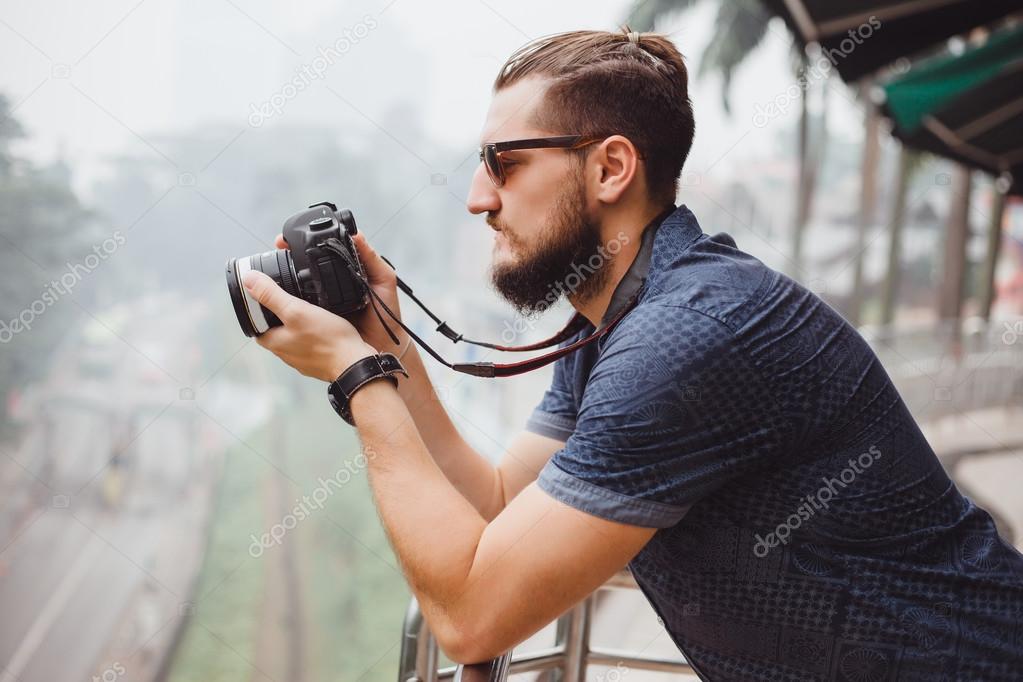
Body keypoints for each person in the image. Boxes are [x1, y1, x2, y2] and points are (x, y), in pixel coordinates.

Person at [243, 27, 1023, 681]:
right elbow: (497, 507)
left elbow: (471, 619)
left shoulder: (688, 335)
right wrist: (387, 344)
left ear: (611, 167)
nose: (479, 200)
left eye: (504, 164)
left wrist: (357, 377)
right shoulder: (617, 322)